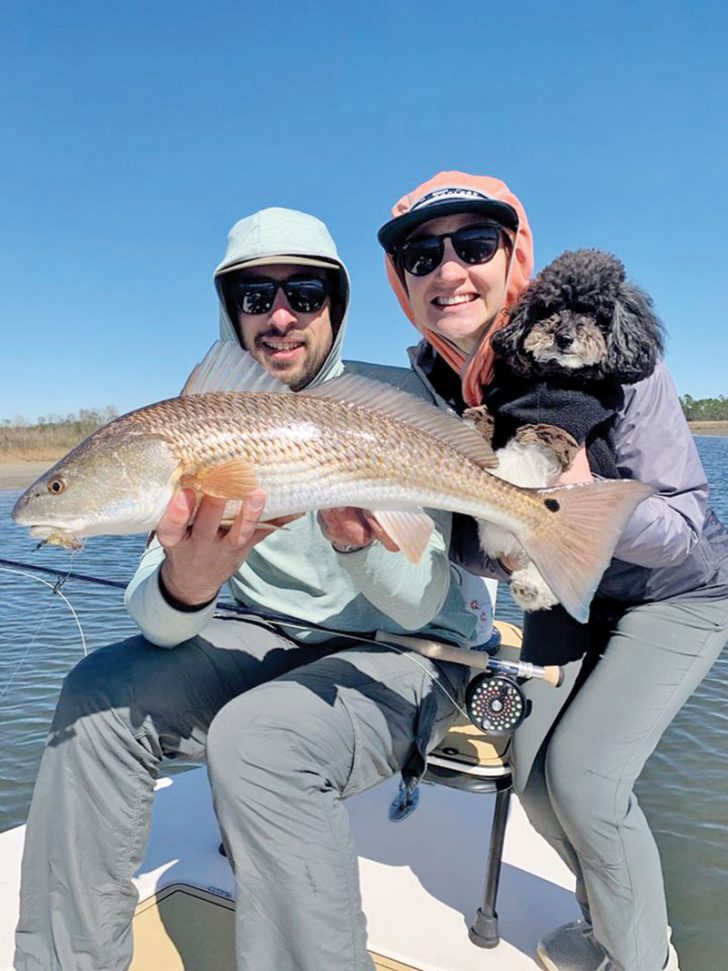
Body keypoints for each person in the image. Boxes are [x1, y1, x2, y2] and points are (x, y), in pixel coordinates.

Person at [14, 206, 495, 971]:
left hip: (413, 651)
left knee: (260, 738)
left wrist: (357, 548)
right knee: (95, 692)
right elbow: (160, 621)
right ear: (229, 309)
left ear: (335, 307)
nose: (278, 317)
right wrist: (188, 579)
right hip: (268, 636)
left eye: (304, 295)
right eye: (254, 297)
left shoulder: (399, 403)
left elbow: (433, 601)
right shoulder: (190, 419)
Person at [377, 171, 728, 971]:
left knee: (588, 780)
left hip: (676, 593)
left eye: (473, 244)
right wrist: (423, 525)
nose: (448, 269)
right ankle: (610, 926)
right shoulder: (438, 390)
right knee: (532, 773)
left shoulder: (620, 356)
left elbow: (686, 530)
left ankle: (645, 959)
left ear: (514, 255)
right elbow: (476, 548)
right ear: (402, 282)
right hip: (563, 601)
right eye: (420, 254)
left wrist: (583, 504)